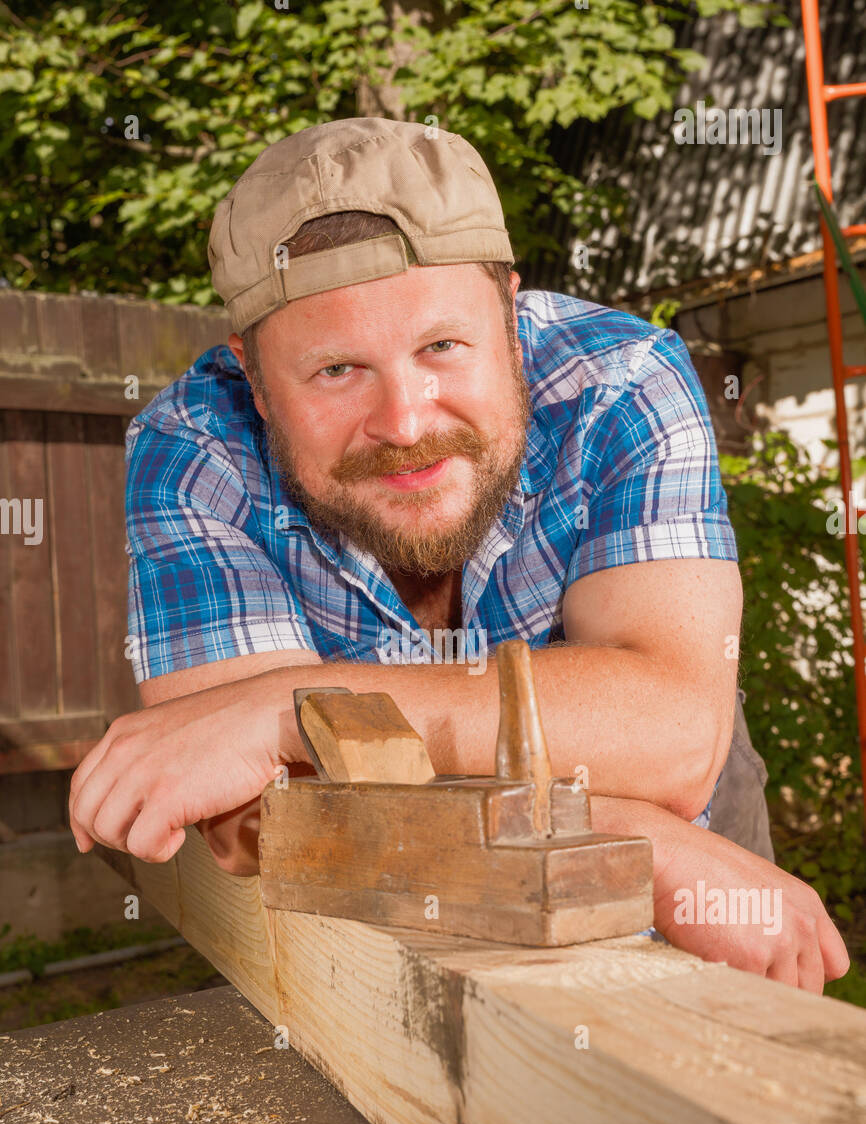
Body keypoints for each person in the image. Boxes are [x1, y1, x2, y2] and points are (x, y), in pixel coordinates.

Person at [70, 118, 847, 993]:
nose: (405, 424)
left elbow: (671, 731)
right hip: (410, 918)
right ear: (251, 375)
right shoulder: (189, 450)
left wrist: (277, 710)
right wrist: (633, 837)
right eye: (336, 371)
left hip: (703, 847)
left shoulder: (624, 381)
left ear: (511, 317)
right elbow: (261, 823)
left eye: (441, 346)